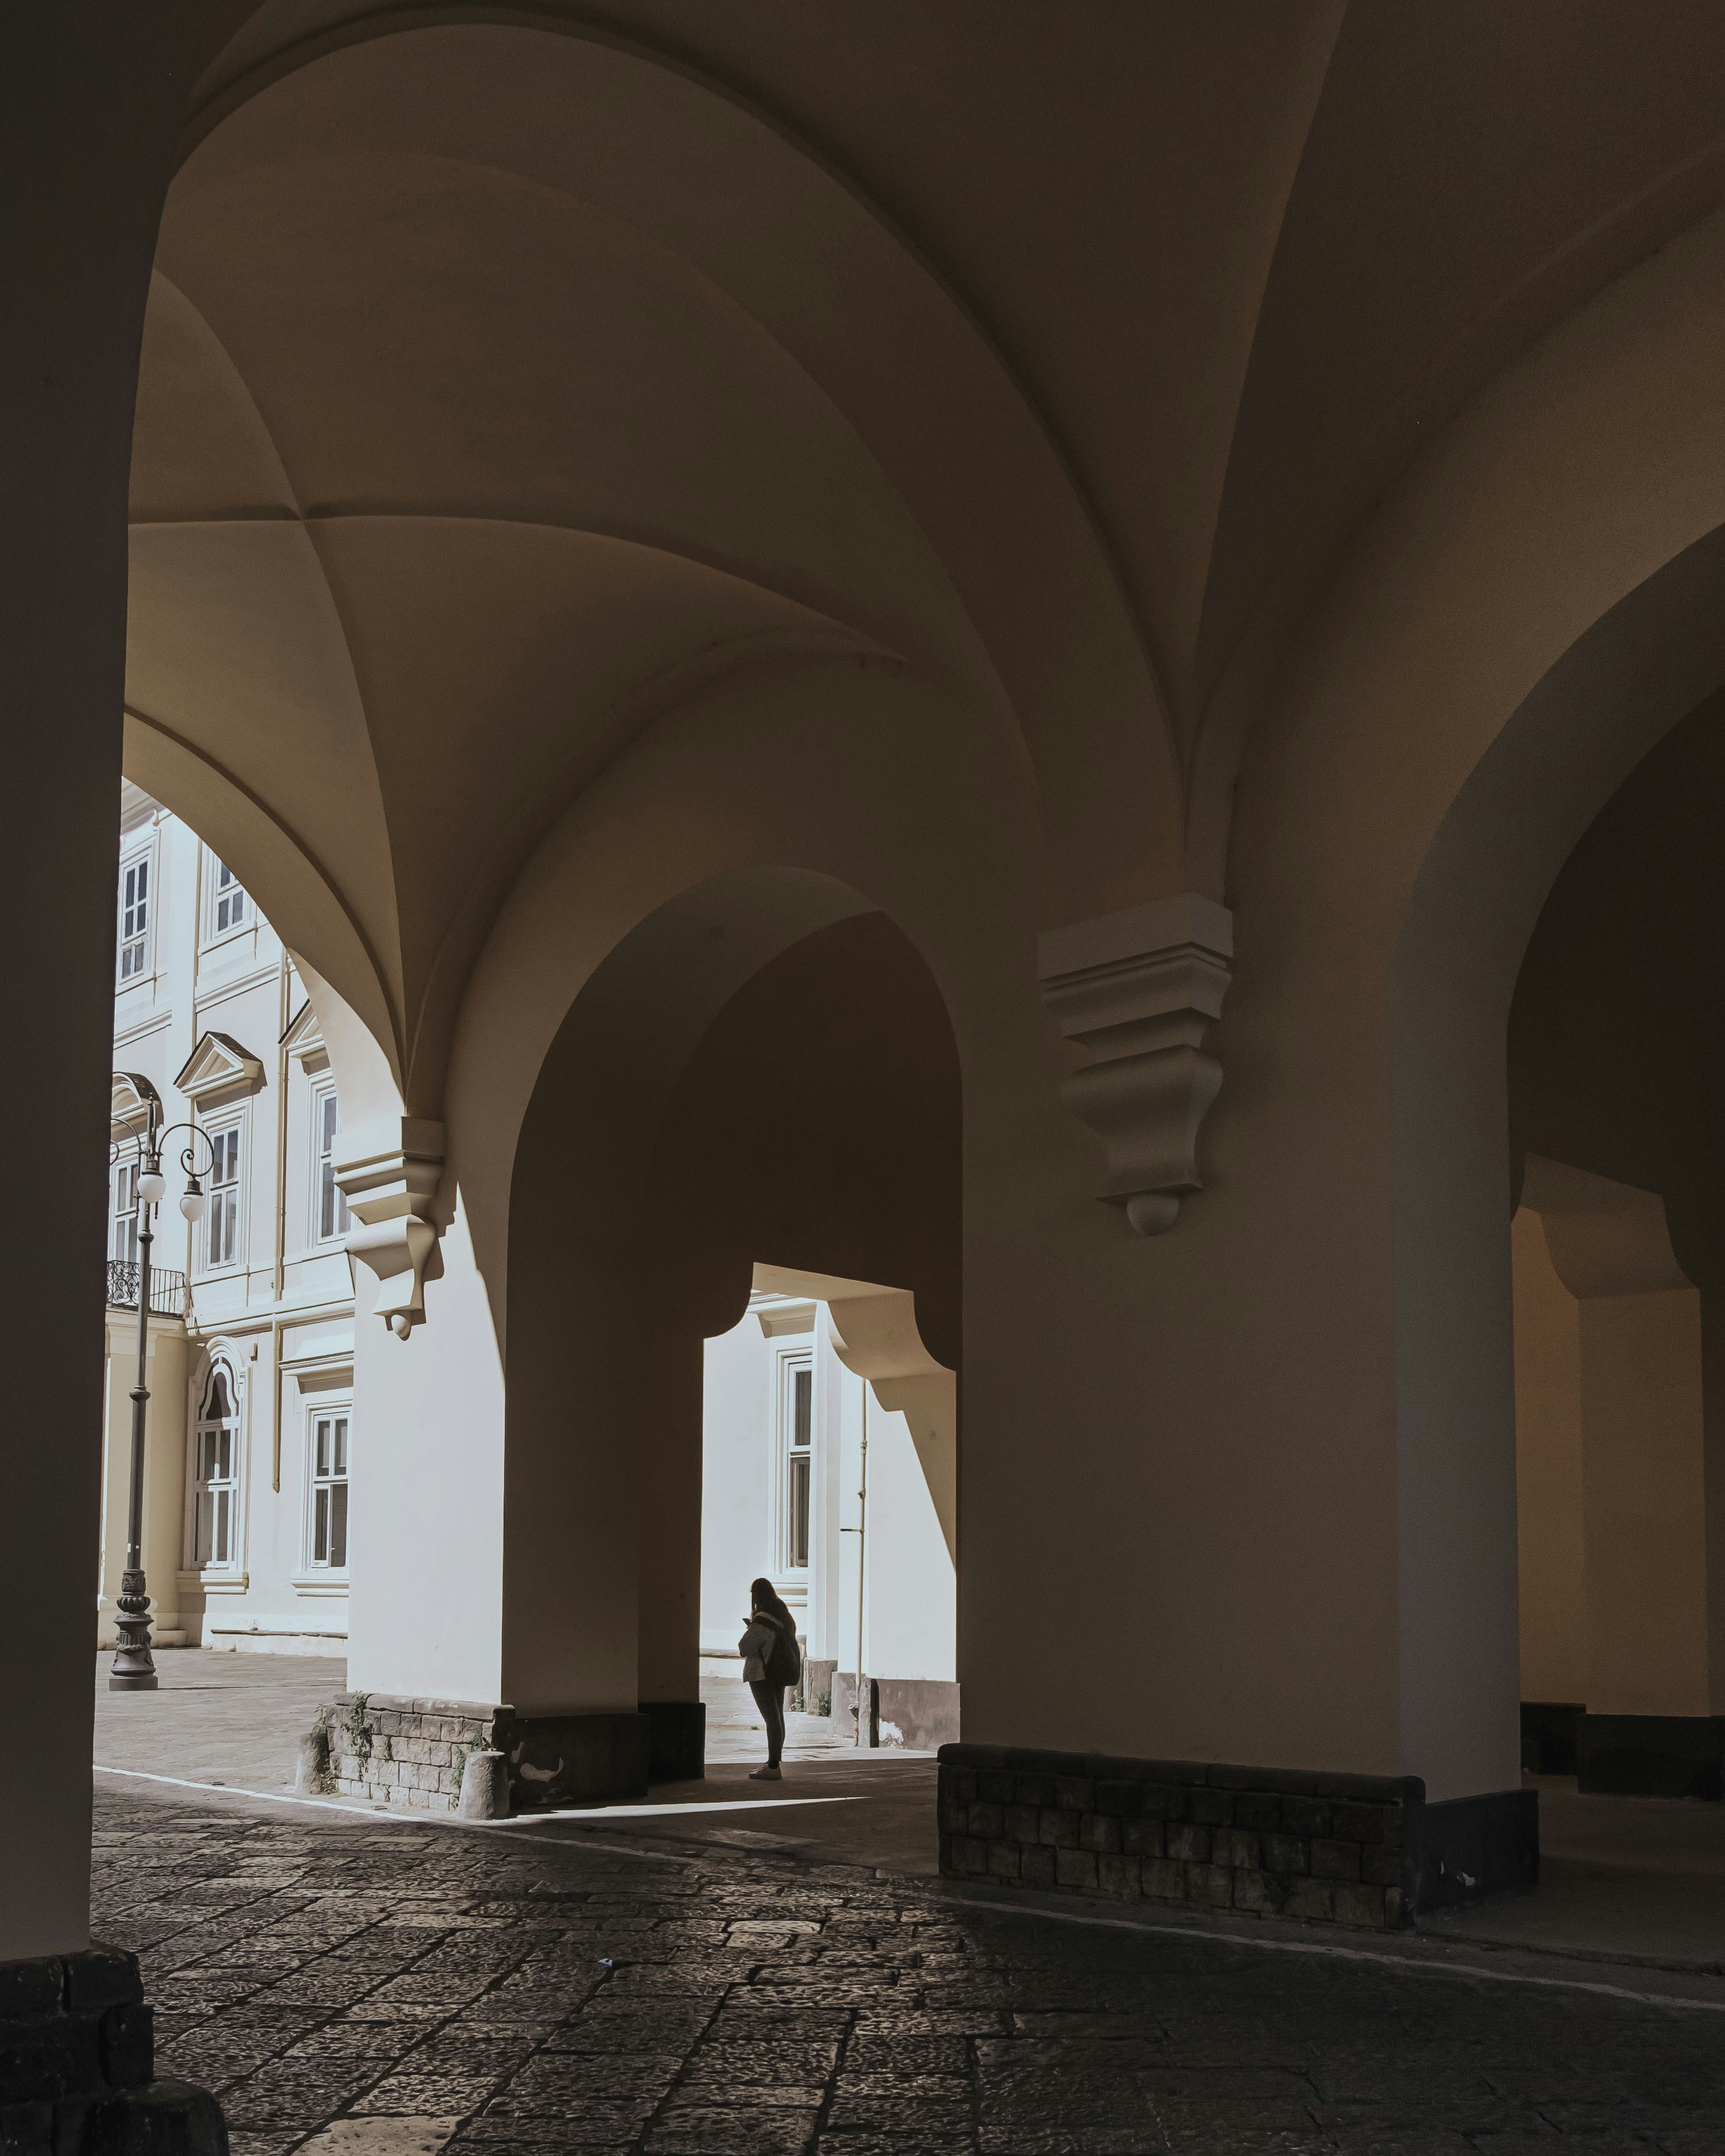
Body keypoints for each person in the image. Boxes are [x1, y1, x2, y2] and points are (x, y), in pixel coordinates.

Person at [738, 1576, 802, 1781]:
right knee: (778, 1717)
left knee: (771, 1719)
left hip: (761, 1673)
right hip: (779, 1672)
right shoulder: (785, 1618)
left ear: (757, 1595)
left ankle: (773, 1766)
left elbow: (745, 1648)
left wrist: (750, 1629)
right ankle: (775, 1762)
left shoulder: (762, 1620)